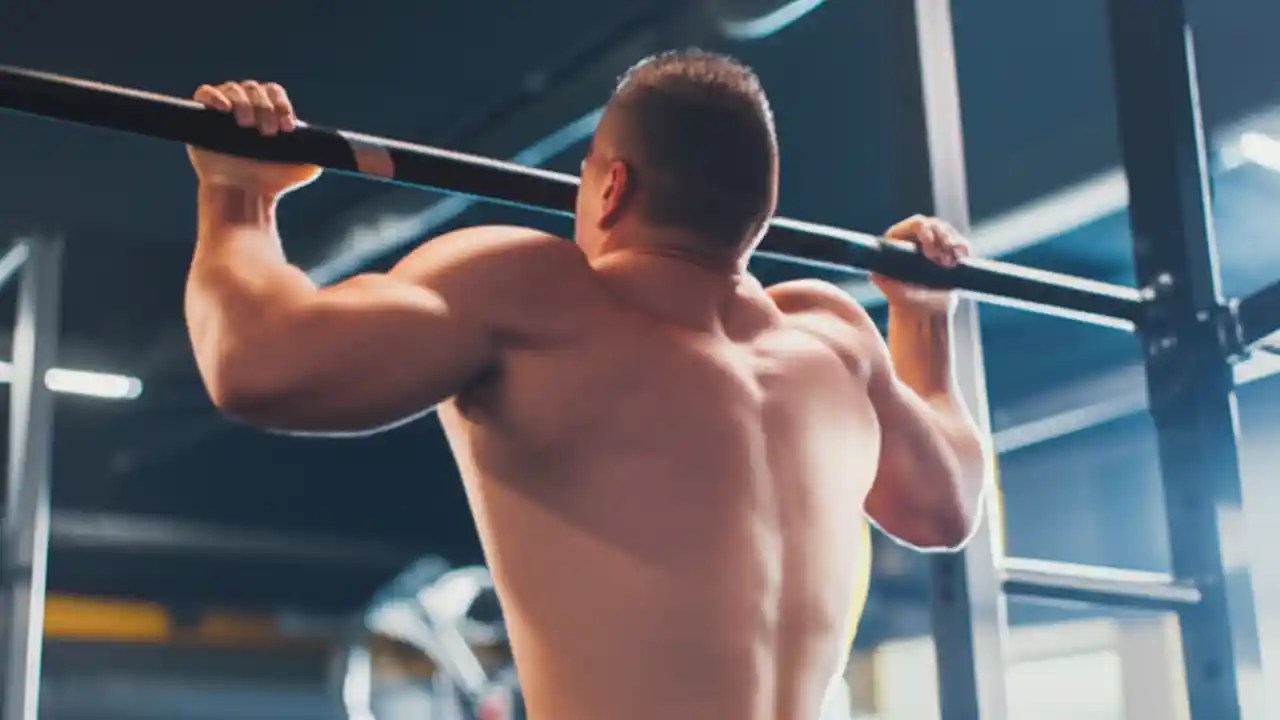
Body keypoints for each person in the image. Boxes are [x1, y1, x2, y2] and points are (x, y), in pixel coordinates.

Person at [184, 50, 988, 720]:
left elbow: (254, 363)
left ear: (611, 187)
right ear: (760, 210)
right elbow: (945, 504)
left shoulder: (531, 289)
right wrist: (922, 317)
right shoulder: (837, 340)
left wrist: (237, 195)